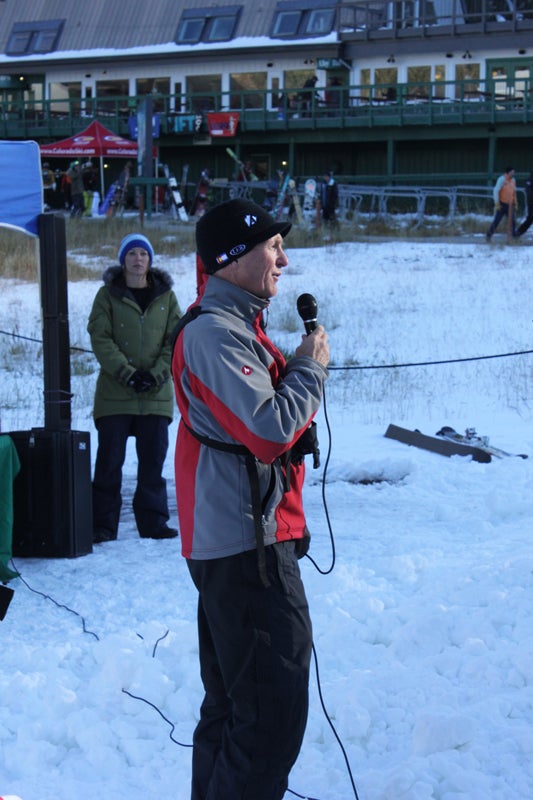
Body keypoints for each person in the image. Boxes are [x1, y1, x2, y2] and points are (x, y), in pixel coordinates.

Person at [171, 198, 329, 800]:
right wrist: (309, 369)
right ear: (232, 258)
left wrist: (292, 367)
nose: (284, 259)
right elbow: (267, 432)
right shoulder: (216, 331)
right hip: (246, 550)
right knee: (268, 720)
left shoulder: (237, 327)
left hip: (240, 542)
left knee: (236, 710)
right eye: (272, 246)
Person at [88, 233, 181, 543]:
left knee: (153, 464)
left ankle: (154, 523)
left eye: (143, 253)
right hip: (116, 393)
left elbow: (176, 340)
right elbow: (101, 338)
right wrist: (127, 373)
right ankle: (102, 525)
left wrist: (156, 374)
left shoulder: (167, 297)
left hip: (155, 394)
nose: (138, 259)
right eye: (132, 254)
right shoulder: (106, 295)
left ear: (150, 260)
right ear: (123, 259)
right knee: (109, 462)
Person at [486, 165, 517, 240]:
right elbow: (496, 190)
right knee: (497, 220)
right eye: (512, 172)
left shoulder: (513, 181)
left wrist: (515, 202)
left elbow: (514, 192)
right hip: (502, 204)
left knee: (513, 221)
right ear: (508, 172)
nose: (513, 174)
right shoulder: (501, 179)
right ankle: (489, 235)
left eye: (514, 172)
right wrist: (497, 203)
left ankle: (514, 237)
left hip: (510, 205)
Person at [516, 170, 533, 237]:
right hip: (531, 203)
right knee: (530, 219)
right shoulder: (530, 180)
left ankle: (519, 232)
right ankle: (518, 233)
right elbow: (529, 192)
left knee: (530, 219)